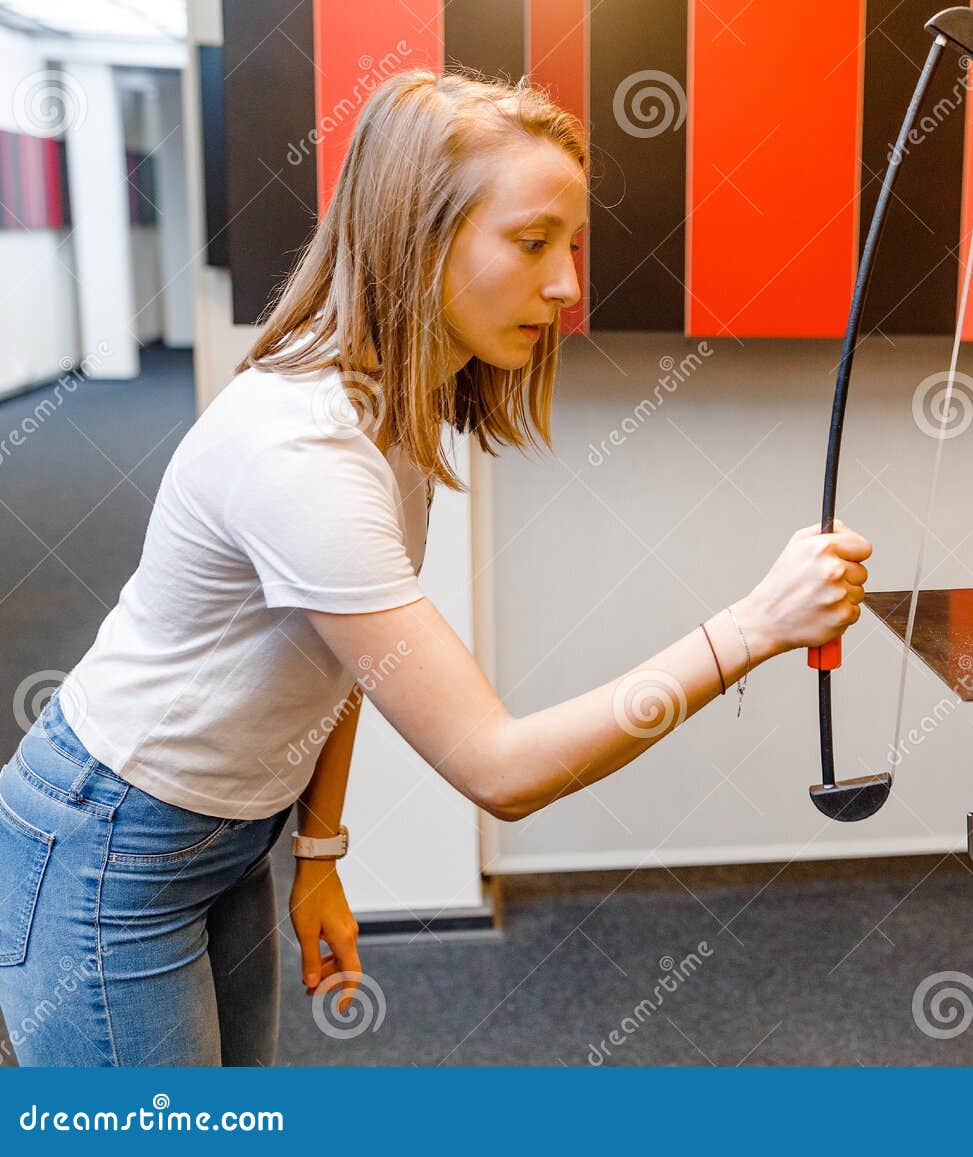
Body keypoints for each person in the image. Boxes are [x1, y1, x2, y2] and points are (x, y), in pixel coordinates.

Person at [0, 70, 871, 1067]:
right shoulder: (306, 450)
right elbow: (498, 769)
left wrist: (317, 852)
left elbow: (353, 663)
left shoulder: (394, 405)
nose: (566, 286)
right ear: (415, 235)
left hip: (223, 836)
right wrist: (755, 625)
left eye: (572, 246)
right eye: (533, 241)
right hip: (107, 843)